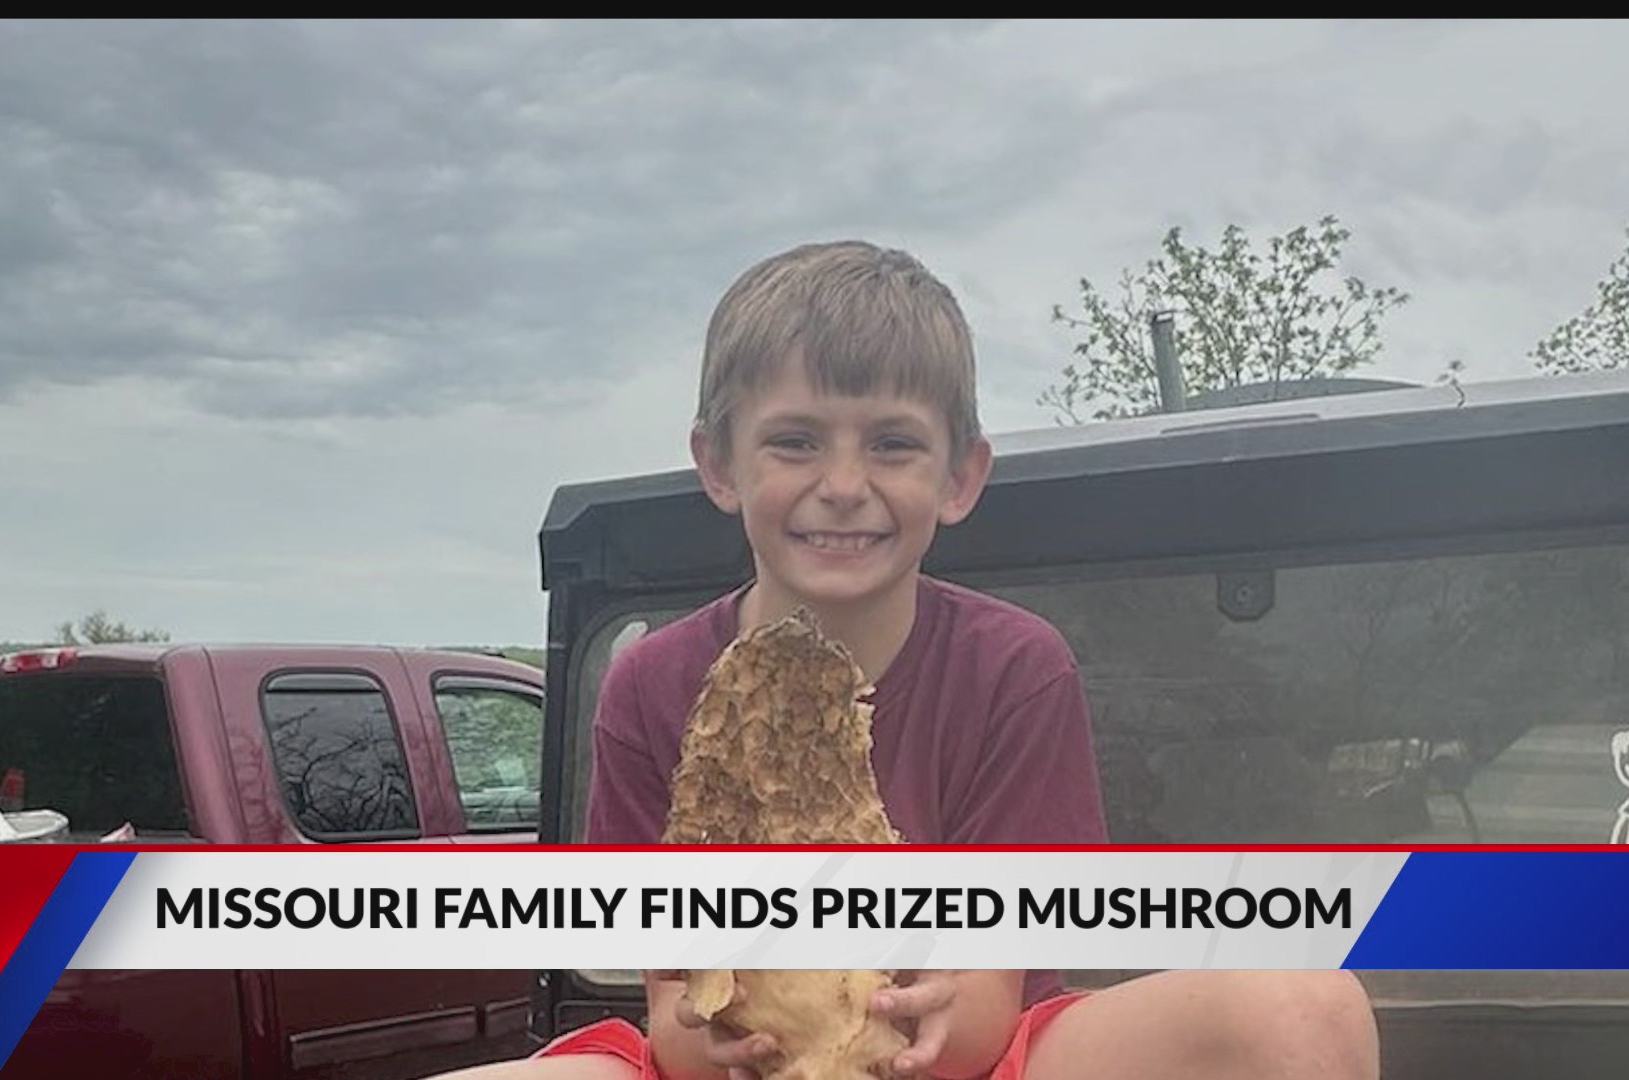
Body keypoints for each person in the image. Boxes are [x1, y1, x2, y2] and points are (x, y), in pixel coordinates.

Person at [435, 241, 1378, 1080]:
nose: (843, 486)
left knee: (1302, 1010)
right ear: (719, 465)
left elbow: (991, 1009)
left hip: (970, 1066)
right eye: (795, 441)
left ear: (959, 475)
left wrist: (931, 1012)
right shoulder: (652, 685)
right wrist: (718, 1034)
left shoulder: (1015, 669)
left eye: (892, 444)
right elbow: (671, 1022)